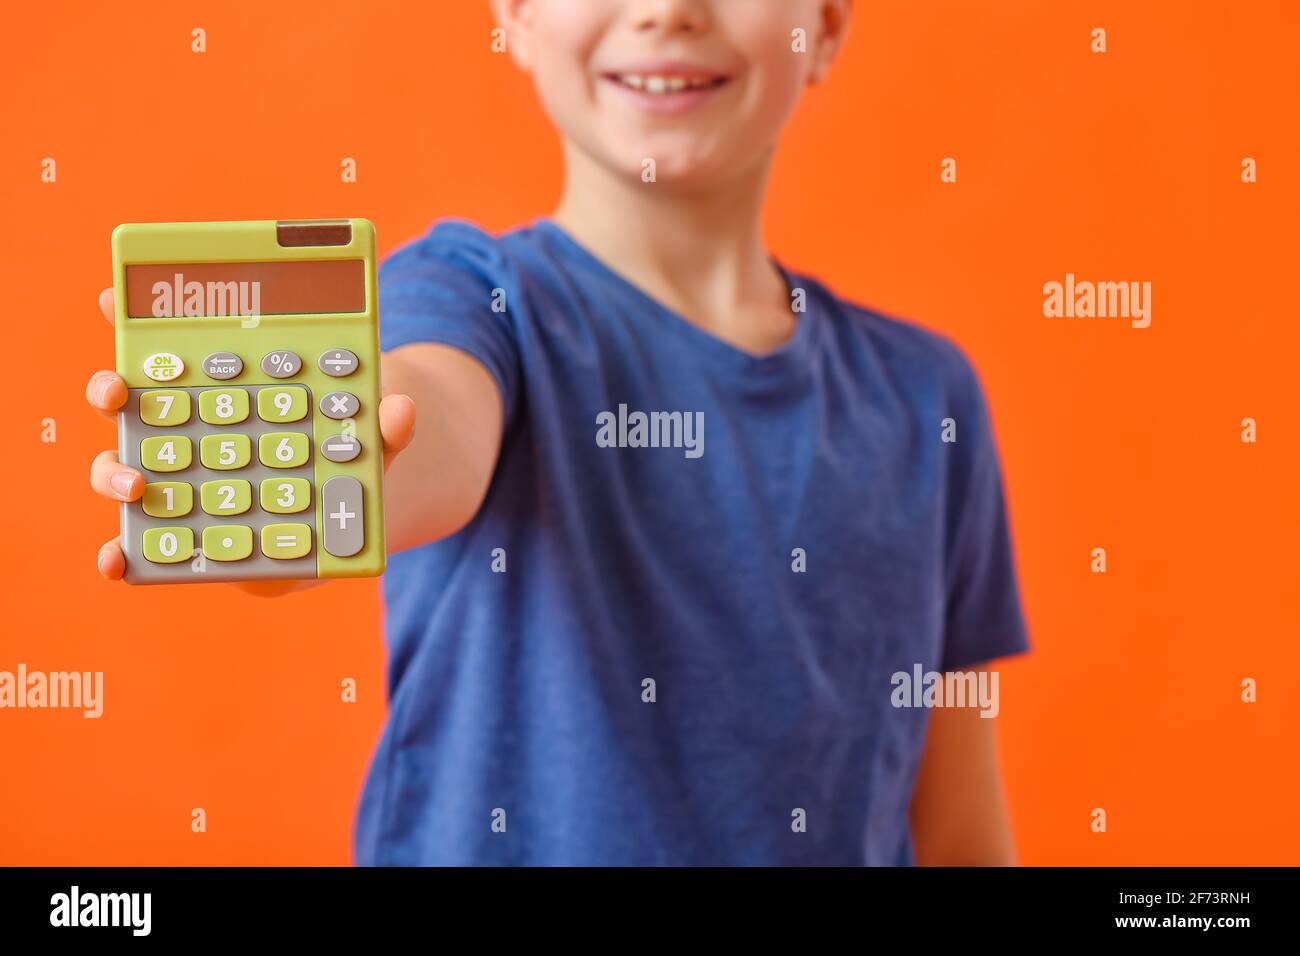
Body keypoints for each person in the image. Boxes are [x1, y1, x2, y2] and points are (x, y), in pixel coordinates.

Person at [87, 0, 1029, 865]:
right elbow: (430, 433)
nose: (669, 11)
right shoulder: (470, 299)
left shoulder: (926, 397)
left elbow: (958, 831)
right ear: (520, 19)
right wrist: (285, 486)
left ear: (824, 25)